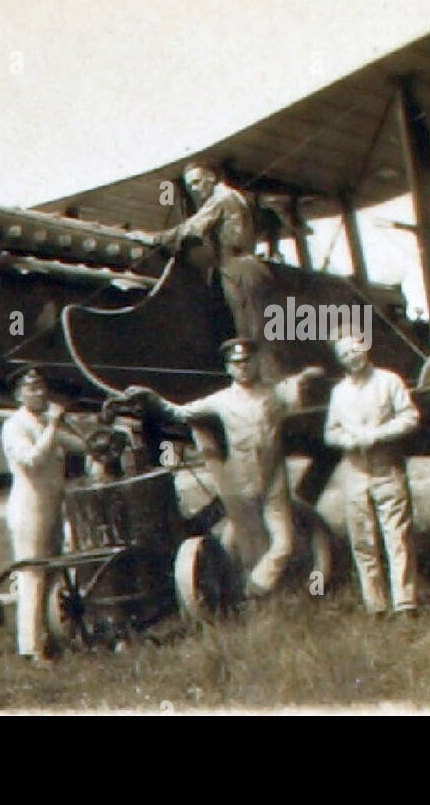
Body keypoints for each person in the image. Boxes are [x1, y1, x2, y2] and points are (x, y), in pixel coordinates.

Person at [127, 338, 322, 599]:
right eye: (237, 363)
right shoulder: (221, 401)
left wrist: (307, 376)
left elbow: (296, 390)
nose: (243, 367)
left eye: (247, 362)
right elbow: (181, 413)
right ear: (229, 368)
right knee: (247, 544)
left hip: (274, 482)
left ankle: (257, 587)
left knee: (283, 544)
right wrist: (152, 398)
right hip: (242, 484)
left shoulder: (274, 393)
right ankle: (253, 597)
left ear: (255, 363)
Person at [323, 333, 422, 615]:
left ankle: (405, 604)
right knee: (363, 540)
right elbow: (331, 432)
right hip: (354, 472)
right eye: (344, 355)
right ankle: (376, 605)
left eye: (355, 350)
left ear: (365, 348)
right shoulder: (339, 392)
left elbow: (410, 417)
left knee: (397, 536)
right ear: (340, 361)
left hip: (386, 468)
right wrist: (348, 441)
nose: (352, 357)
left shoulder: (389, 381)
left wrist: (379, 435)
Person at [156, 163, 278, 377]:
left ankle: (260, 382)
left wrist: (154, 238)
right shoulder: (239, 197)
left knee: (248, 331)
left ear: (211, 177)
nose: (194, 188)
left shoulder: (220, 199)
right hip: (250, 266)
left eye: (197, 181)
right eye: (189, 185)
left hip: (236, 268)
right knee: (259, 329)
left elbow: (191, 228)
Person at [0, 366, 86, 664]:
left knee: (54, 572)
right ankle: (31, 648)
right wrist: (53, 426)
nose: (39, 393)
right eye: (31, 388)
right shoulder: (15, 426)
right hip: (29, 509)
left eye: (41, 387)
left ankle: (51, 635)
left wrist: (75, 425)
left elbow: (84, 446)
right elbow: (33, 460)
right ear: (18, 394)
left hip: (52, 505)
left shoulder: (44, 422)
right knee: (32, 575)